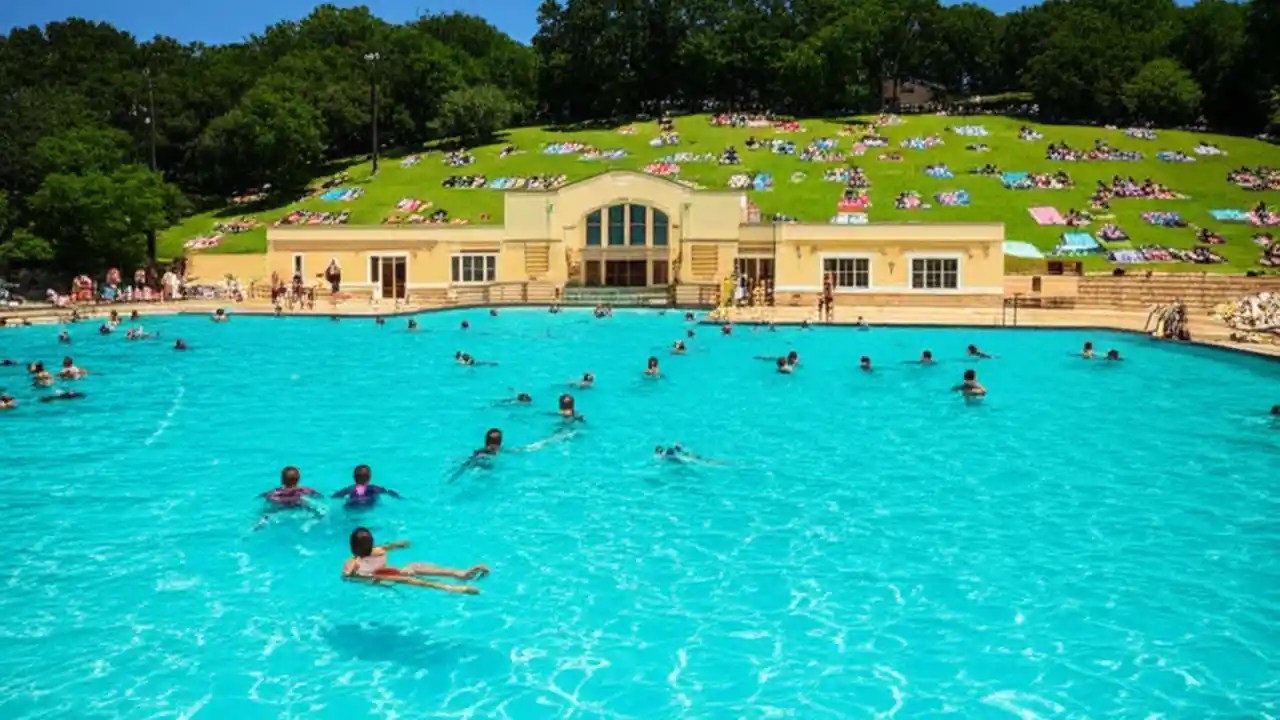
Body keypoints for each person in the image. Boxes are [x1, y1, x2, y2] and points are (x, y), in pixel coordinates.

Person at [342, 527, 488, 594]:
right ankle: (459, 573)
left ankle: (451, 588)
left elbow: (347, 574)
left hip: (384, 578)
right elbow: (388, 546)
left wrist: (353, 574)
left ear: (352, 547)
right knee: (414, 567)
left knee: (417, 581)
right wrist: (401, 544)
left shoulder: (352, 561)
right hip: (391, 572)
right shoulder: (379, 551)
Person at [257, 466, 323, 522]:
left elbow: (265, 496)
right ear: (298, 479)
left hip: (280, 504)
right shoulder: (303, 490)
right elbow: (319, 496)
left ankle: (261, 523)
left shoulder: (275, 491)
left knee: (267, 514)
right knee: (319, 512)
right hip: (297, 503)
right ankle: (309, 524)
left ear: (282, 480)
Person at [332, 464, 402, 508]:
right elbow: (388, 492)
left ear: (354, 478)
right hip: (368, 504)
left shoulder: (349, 489)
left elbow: (334, 497)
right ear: (370, 477)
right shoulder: (373, 488)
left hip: (352, 505)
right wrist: (399, 497)